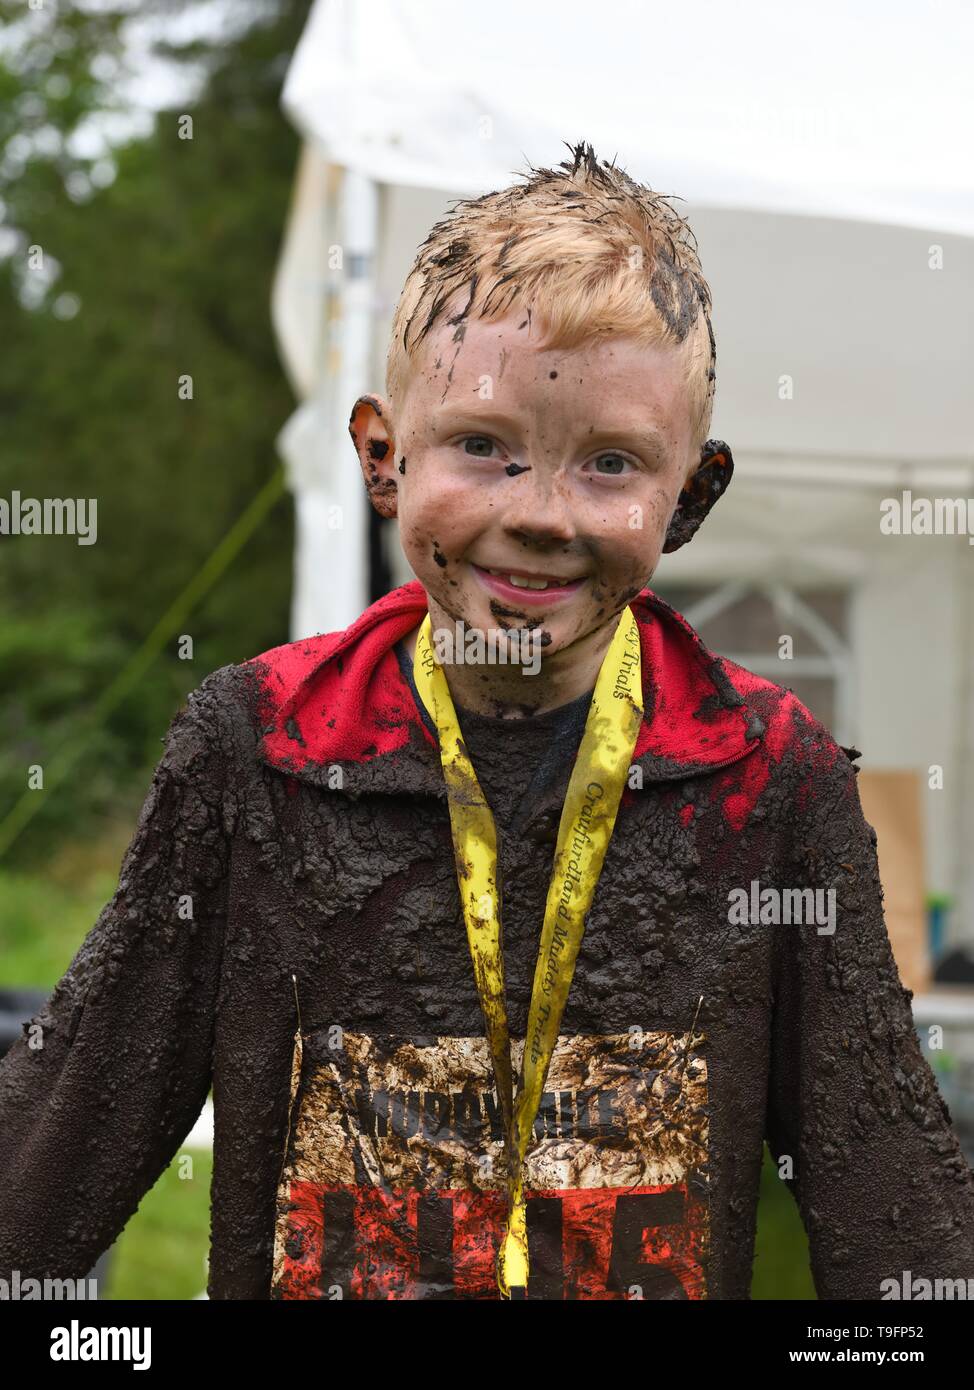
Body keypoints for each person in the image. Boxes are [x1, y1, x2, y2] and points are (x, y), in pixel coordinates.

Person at [2, 141, 972, 1301]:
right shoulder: (260, 744)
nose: (541, 515)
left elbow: (891, 1207)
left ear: (691, 495)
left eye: (610, 464)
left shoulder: (767, 777)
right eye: (481, 447)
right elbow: (71, 1131)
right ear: (381, 456)